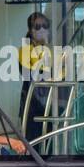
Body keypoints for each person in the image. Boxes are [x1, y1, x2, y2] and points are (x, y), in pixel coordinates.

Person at [18, 11, 54, 141]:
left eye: (45, 26)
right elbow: (33, 76)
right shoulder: (25, 50)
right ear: (31, 30)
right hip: (33, 107)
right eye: (37, 27)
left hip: (47, 106)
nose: (42, 30)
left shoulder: (47, 51)